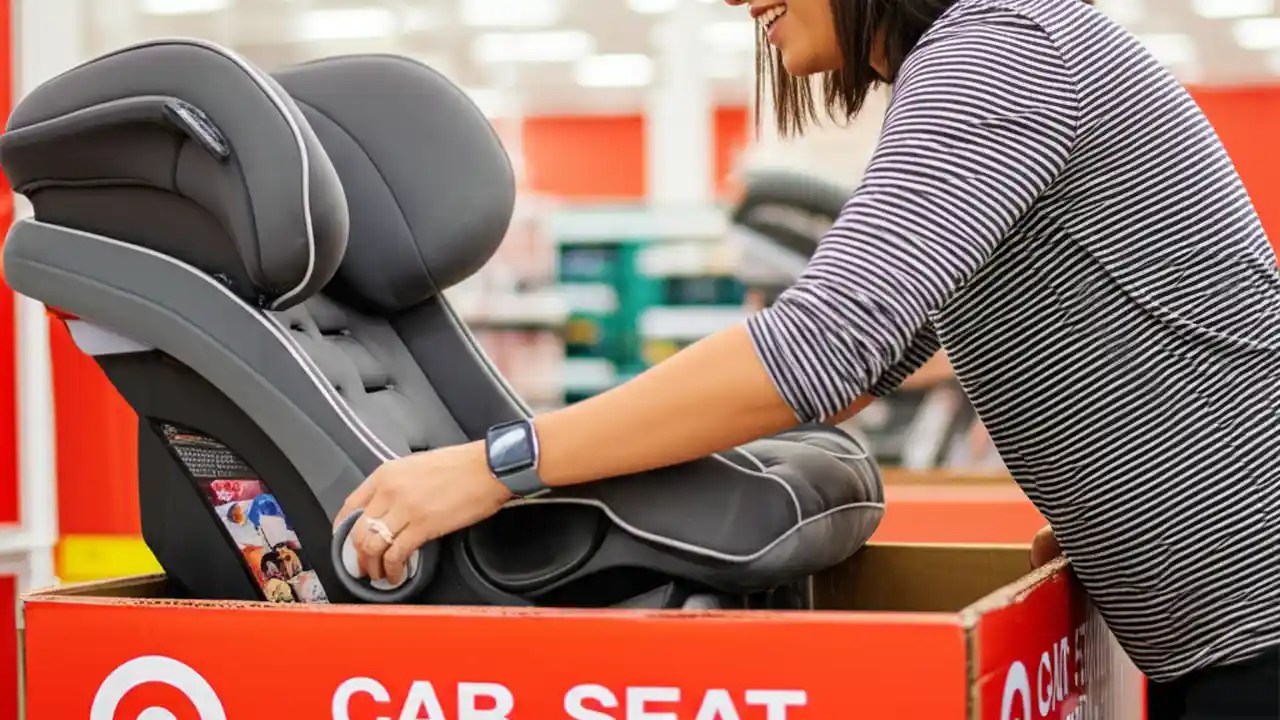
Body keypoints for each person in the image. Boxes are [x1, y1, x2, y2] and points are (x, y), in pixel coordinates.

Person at [336, 0, 1280, 716]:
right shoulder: (990, 53)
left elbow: (821, 349)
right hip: (1217, 624)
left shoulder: (1000, 47)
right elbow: (872, 357)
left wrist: (499, 465)